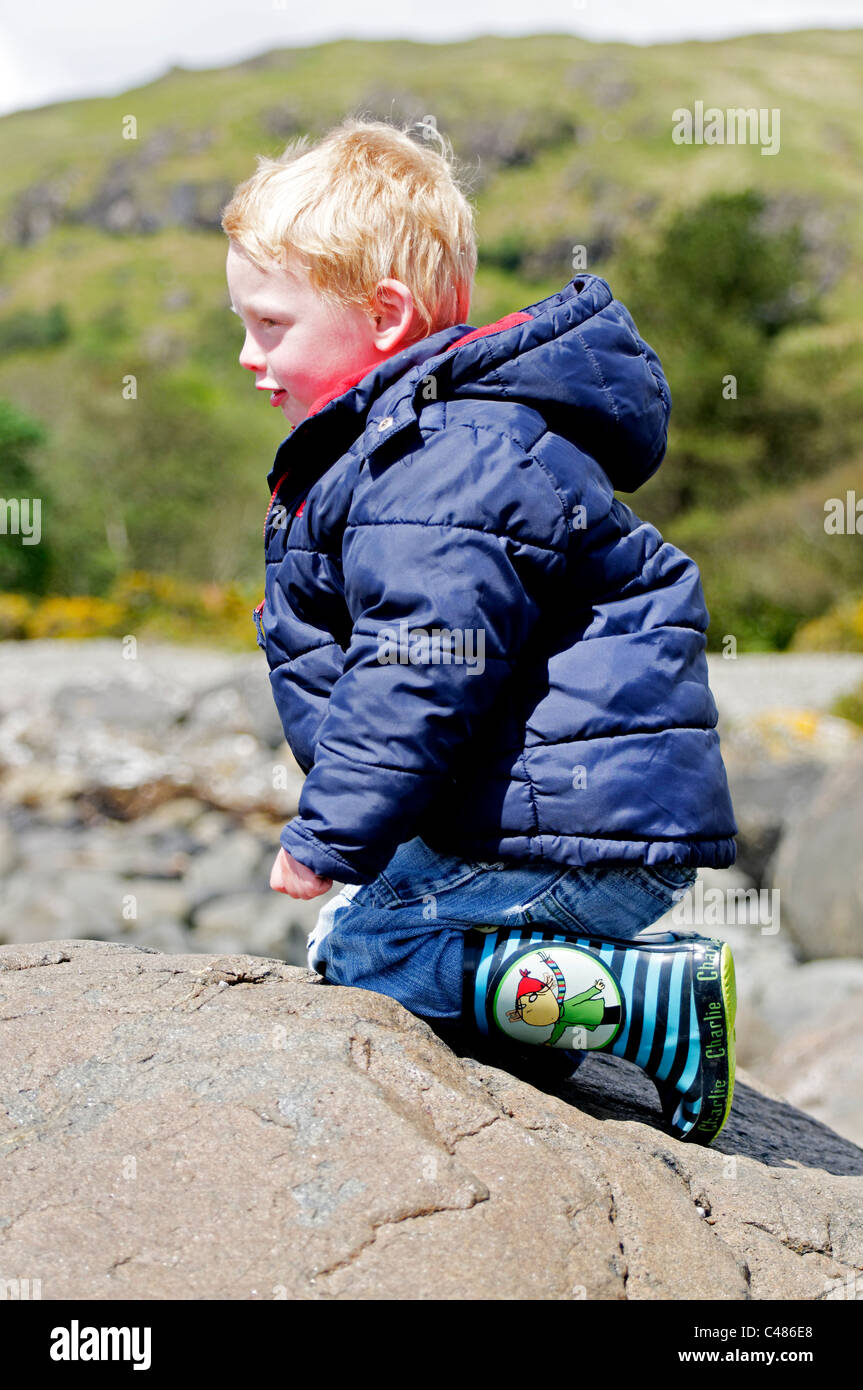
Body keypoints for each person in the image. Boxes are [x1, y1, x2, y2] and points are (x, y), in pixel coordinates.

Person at [222, 116, 739, 1145]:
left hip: (577, 836)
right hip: (547, 823)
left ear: (382, 315)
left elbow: (415, 665)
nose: (246, 355)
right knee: (359, 936)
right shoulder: (416, 443)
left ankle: (649, 1000)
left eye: (270, 325)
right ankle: (540, 1022)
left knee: (365, 956)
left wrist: (330, 833)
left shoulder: (440, 460)